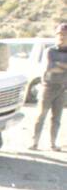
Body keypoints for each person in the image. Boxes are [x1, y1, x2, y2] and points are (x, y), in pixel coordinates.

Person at [31, 22, 67, 152]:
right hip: (48, 86)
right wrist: (63, 66)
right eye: (59, 34)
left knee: (56, 118)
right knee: (41, 115)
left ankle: (53, 143)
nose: (62, 37)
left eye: (64, 34)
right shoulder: (50, 51)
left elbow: (55, 67)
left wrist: (58, 65)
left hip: (63, 88)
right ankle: (34, 142)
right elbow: (49, 68)